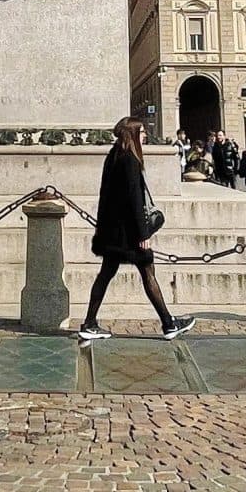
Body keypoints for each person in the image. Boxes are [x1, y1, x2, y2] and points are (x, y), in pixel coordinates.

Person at [75, 117, 192, 343]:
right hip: (128, 233)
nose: (145, 136)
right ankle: (169, 324)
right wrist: (143, 234)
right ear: (133, 134)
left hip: (112, 230)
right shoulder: (130, 159)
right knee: (148, 273)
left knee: (106, 274)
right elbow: (135, 200)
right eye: (142, 132)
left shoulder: (114, 155)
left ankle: (89, 323)